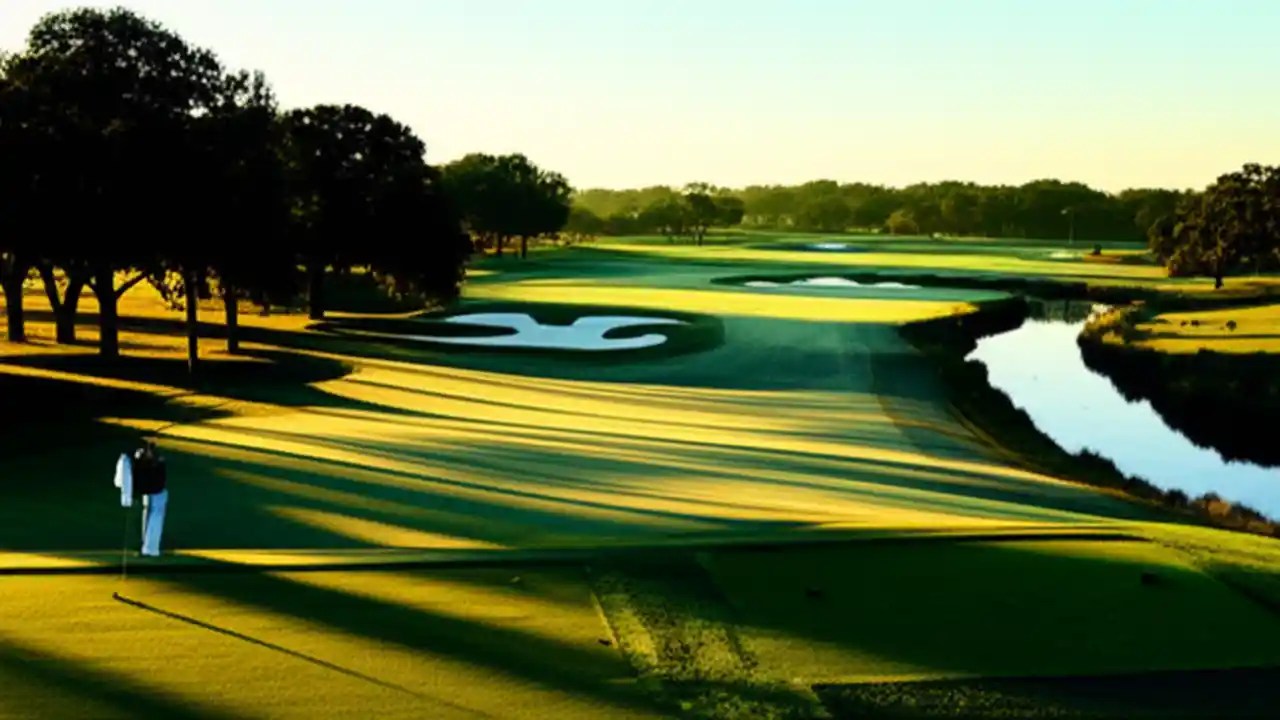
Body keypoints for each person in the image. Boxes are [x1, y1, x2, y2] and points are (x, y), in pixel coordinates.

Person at [133, 439, 168, 557]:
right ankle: (149, 548)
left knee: (150, 518)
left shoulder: (143, 459)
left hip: (153, 491)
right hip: (155, 491)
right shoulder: (151, 461)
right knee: (153, 519)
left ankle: (148, 548)